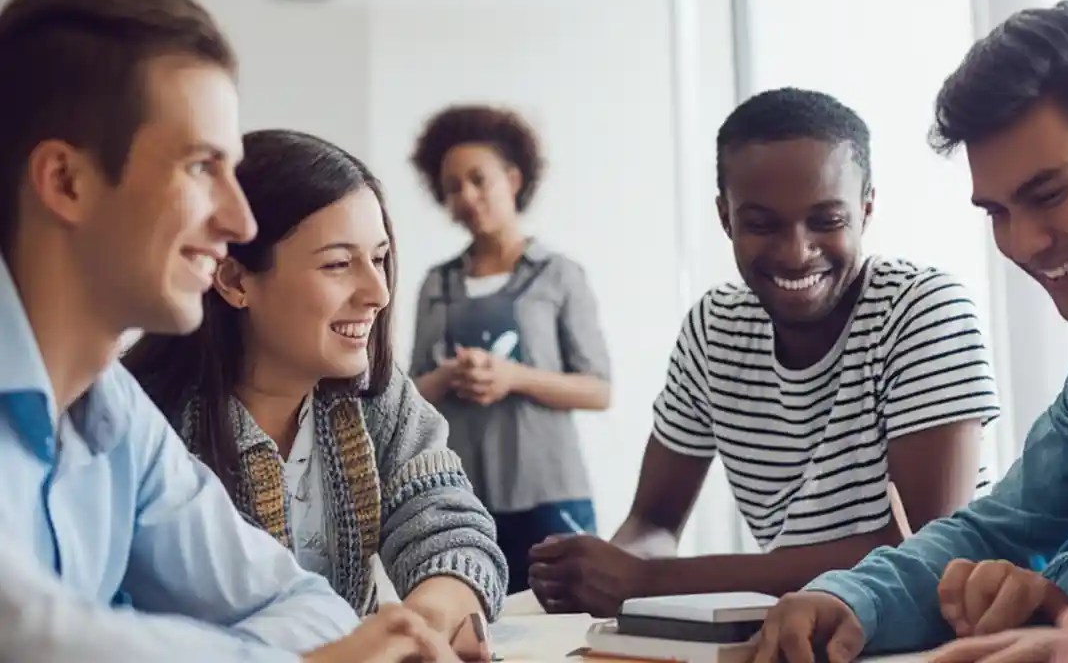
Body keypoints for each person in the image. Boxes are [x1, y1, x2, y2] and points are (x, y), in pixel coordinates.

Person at [750, 1, 1068, 663]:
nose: (1023, 242)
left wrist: (1026, 591)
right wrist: (853, 599)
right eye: (997, 211)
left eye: (1049, 194)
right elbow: (1005, 524)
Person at [0, 0, 460, 662]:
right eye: (199, 167)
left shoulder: (115, 414)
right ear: (67, 181)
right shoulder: (155, 407)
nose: (237, 218)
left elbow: (294, 599)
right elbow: (33, 638)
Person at [527, 87, 1002, 617]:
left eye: (827, 220)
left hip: (932, 632)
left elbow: (926, 547)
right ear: (725, 217)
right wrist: (600, 573)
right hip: (801, 629)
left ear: (866, 208)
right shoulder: (715, 328)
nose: (797, 252)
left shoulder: (923, 309)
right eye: (761, 224)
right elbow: (653, 524)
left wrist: (651, 579)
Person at [123, 130, 509, 640]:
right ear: (235, 280)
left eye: (379, 257)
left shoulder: (379, 397)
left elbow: (447, 526)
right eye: (337, 264)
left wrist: (426, 625)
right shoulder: (146, 422)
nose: (378, 292)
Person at [408, 105, 612, 594]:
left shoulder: (559, 275)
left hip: (550, 495)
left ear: (513, 178)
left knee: (564, 627)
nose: (468, 196)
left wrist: (514, 377)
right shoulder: (436, 284)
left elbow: (598, 389)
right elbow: (409, 394)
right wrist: (448, 379)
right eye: (453, 187)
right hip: (461, 499)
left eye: (479, 179)